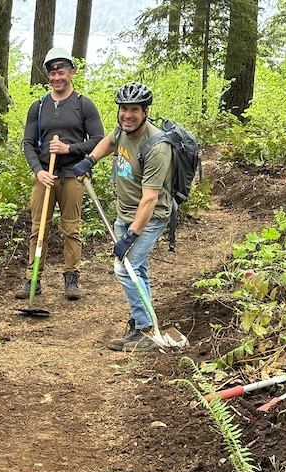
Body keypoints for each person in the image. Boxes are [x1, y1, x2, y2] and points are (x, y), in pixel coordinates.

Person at [73, 82, 173, 352]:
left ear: (146, 111)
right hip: (124, 213)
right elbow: (109, 140)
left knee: (124, 269)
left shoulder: (157, 146)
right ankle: (144, 323)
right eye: (123, 109)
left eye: (134, 110)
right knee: (137, 270)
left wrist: (130, 236)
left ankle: (144, 329)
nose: (127, 115)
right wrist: (90, 160)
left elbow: (150, 199)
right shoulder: (122, 130)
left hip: (149, 218)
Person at [19, 48, 104, 301]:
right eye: (53, 72)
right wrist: (39, 171)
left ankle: (71, 277)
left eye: (62, 71)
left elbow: (99, 140)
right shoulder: (39, 106)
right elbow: (27, 143)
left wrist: (70, 149)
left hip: (72, 175)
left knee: (71, 228)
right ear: (48, 76)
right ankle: (33, 277)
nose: (57, 77)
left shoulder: (83, 104)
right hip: (45, 176)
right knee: (39, 228)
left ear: (71, 72)